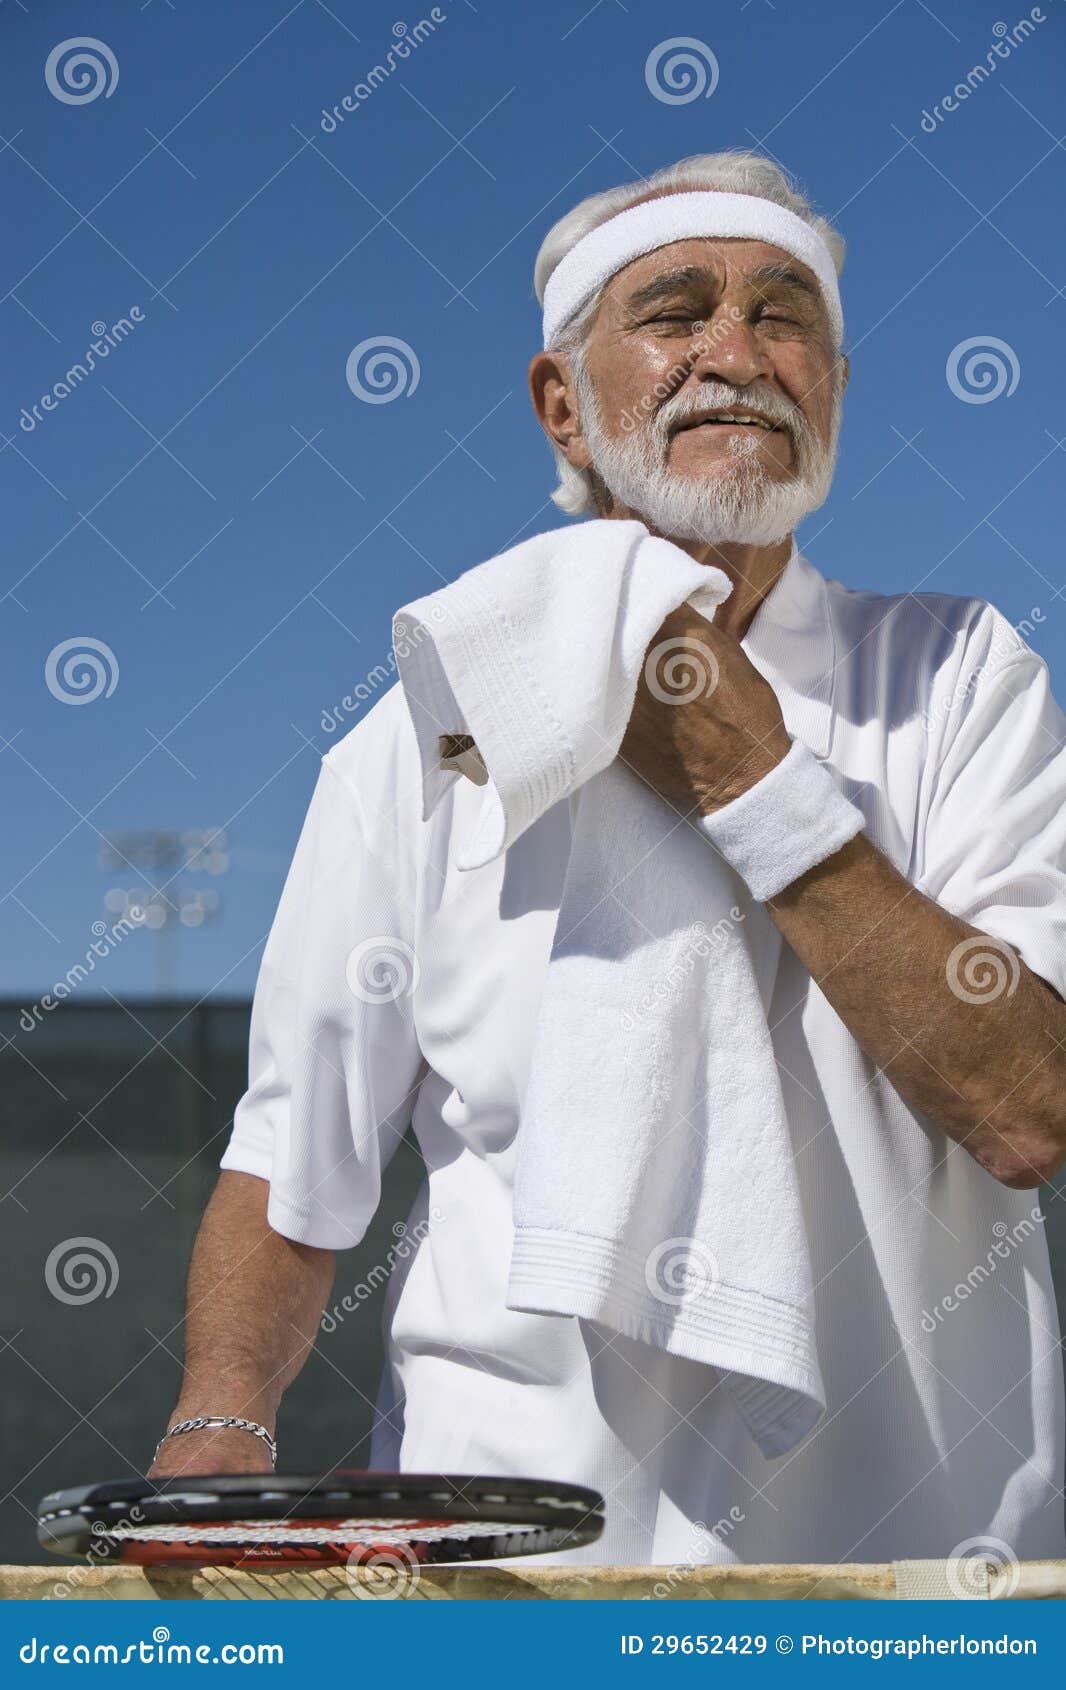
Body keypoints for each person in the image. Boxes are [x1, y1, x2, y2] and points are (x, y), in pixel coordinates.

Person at [150, 151, 1066, 1568]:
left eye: (783, 317)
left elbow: (1027, 1106)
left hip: (915, 1578)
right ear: (562, 404)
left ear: (832, 386)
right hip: (499, 1574)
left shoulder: (960, 679)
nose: (736, 355)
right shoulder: (414, 740)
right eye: (676, 312)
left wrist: (745, 778)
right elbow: (291, 1161)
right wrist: (219, 1432)